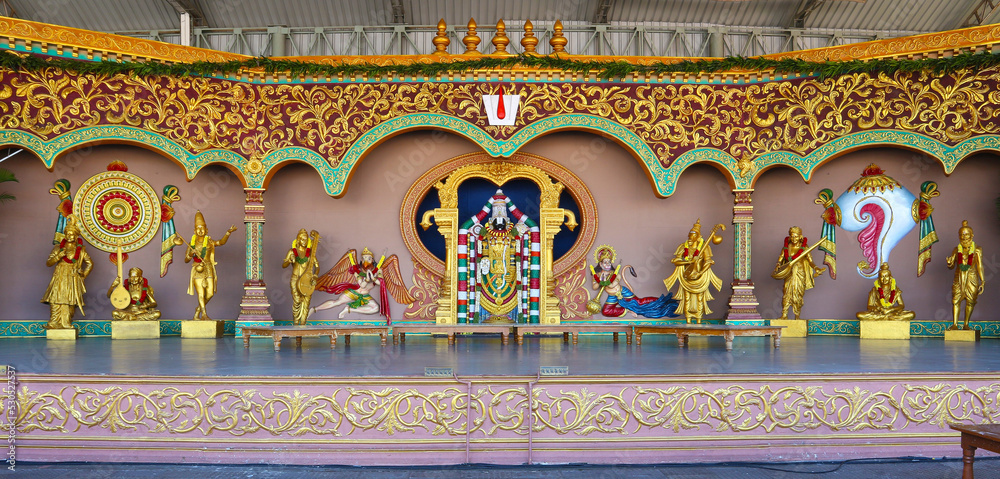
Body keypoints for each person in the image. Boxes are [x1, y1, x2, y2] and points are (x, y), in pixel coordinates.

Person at [177, 210, 236, 321]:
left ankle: (198, 310)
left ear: (206, 230)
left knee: (210, 293)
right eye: (198, 228)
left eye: (202, 228)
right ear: (194, 231)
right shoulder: (191, 244)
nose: (200, 231)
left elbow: (221, 242)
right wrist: (191, 254)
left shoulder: (209, 242)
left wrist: (228, 233)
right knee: (200, 293)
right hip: (197, 269)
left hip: (208, 268)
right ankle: (204, 314)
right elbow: (186, 260)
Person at [591, 245, 678, 318]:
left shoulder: (615, 274)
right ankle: (628, 310)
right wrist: (599, 280)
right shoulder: (597, 275)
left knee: (639, 302)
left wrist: (603, 281)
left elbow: (611, 285)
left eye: (609, 262)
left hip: (622, 292)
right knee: (606, 311)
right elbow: (594, 287)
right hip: (612, 296)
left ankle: (662, 301)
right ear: (600, 264)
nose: (608, 264)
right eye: (605, 262)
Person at [664, 219, 723, 324]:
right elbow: (676, 261)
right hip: (686, 277)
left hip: (699, 277)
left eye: (694, 234)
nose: (691, 236)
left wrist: (700, 272)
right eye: (690, 234)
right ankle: (688, 321)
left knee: (700, 298)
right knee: (686, 298)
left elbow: (708, 262)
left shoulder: (704, 247)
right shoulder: (683, 246)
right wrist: (688, 262)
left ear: (698, 236)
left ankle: (699, 321)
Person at [41, 215, 93, 329]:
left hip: (72, 276)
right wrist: (58, 256)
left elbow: (90, 263)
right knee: (55, 298)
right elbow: (48, 263)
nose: (69, 236)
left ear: (76, 236)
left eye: (72, 234)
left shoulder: (81, 250)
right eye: (67, 234)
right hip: (59, 275)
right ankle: (54, 322)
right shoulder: (58, 248)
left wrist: (83, 274)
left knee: (69, 300)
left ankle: (66, 322)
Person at [771, 226, 825, 320]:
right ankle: (784, 315)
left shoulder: (804, 247)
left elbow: (810, 261)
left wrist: (816, 268)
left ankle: (797, 316)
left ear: (800, 237)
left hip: (800, 273)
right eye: (792, 236)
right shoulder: (786, 247)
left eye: (796, 236)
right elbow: (780, 258)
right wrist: (778, 265)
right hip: (789, 273)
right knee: (786, 293)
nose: (793, 239)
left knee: (798, 294)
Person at [946, 220, 984, 330]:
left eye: (966, 234)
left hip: (972, 277)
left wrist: (983, 281)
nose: (964, 237)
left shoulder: (977, 250)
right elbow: (951, 266)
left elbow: (980, 266)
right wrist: (949, 263)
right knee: (955, 300)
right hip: (958, 277)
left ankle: (966, 324)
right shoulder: (956, 250)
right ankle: (955, 324)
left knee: (970, 301)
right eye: (961, 235)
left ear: (972, 235)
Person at [282, 229, 320, 325]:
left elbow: (317, 266)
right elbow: (284, 265)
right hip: (295, 279)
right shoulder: (292, 252)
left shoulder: (310, 253)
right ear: (298, 240)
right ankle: (295, 325)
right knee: (297, 301)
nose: (304, 241)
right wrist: (289, 261)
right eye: (302, 239)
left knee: (306, 303)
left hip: (308, 280)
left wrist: (315, 275)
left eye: (306, 239)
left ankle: (303, 325)